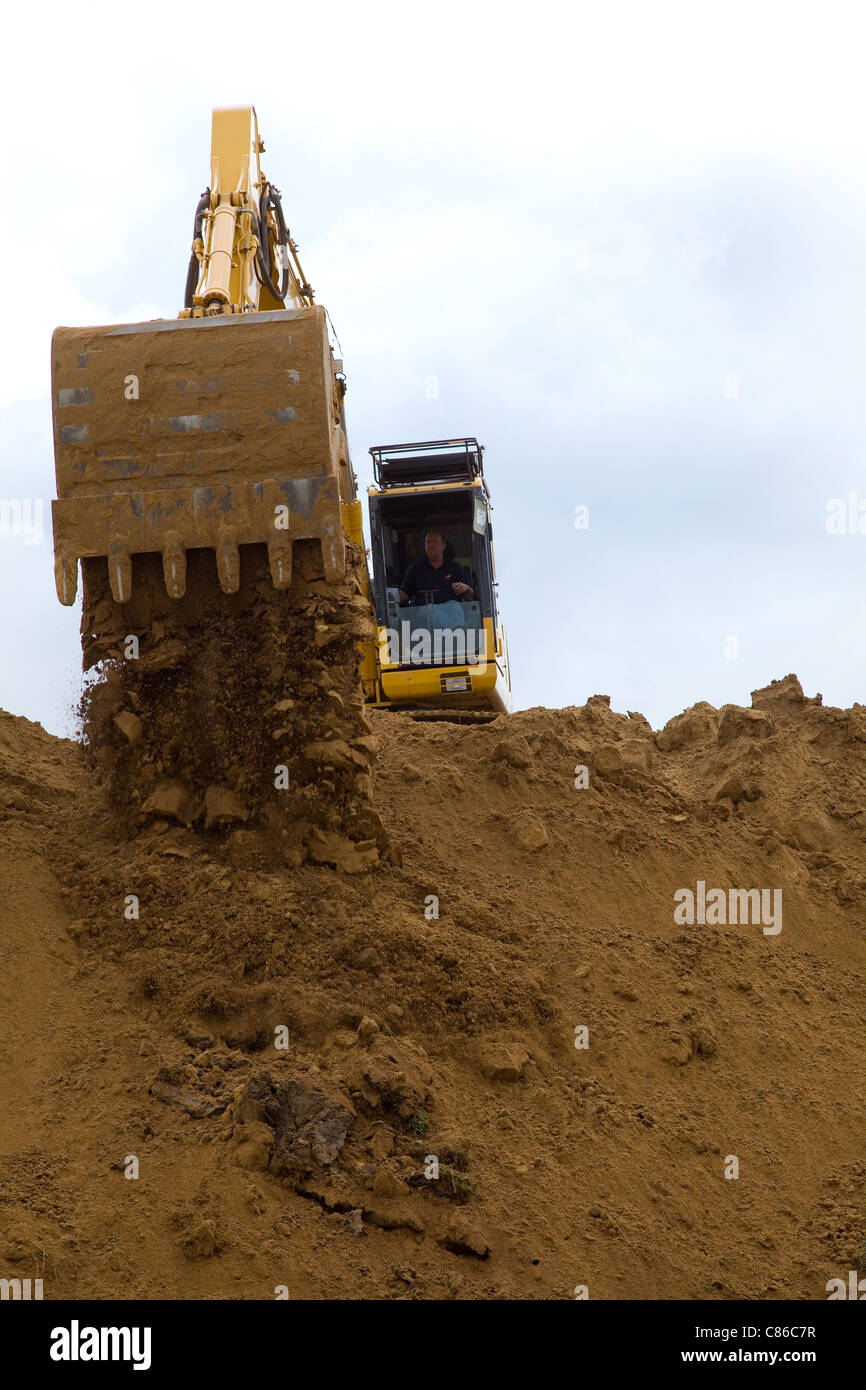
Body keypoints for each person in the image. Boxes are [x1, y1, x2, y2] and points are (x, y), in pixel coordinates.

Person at [399, 529, 474, 605]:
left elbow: (472, 595)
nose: (430, 545)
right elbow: (405, 594)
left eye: (434, 542)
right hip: (423, 615)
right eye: (428, 542)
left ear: (443, 546)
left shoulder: (455, 567)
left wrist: (465, 588)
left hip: (451, 614)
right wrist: (393, 595)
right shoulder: (415, 569)